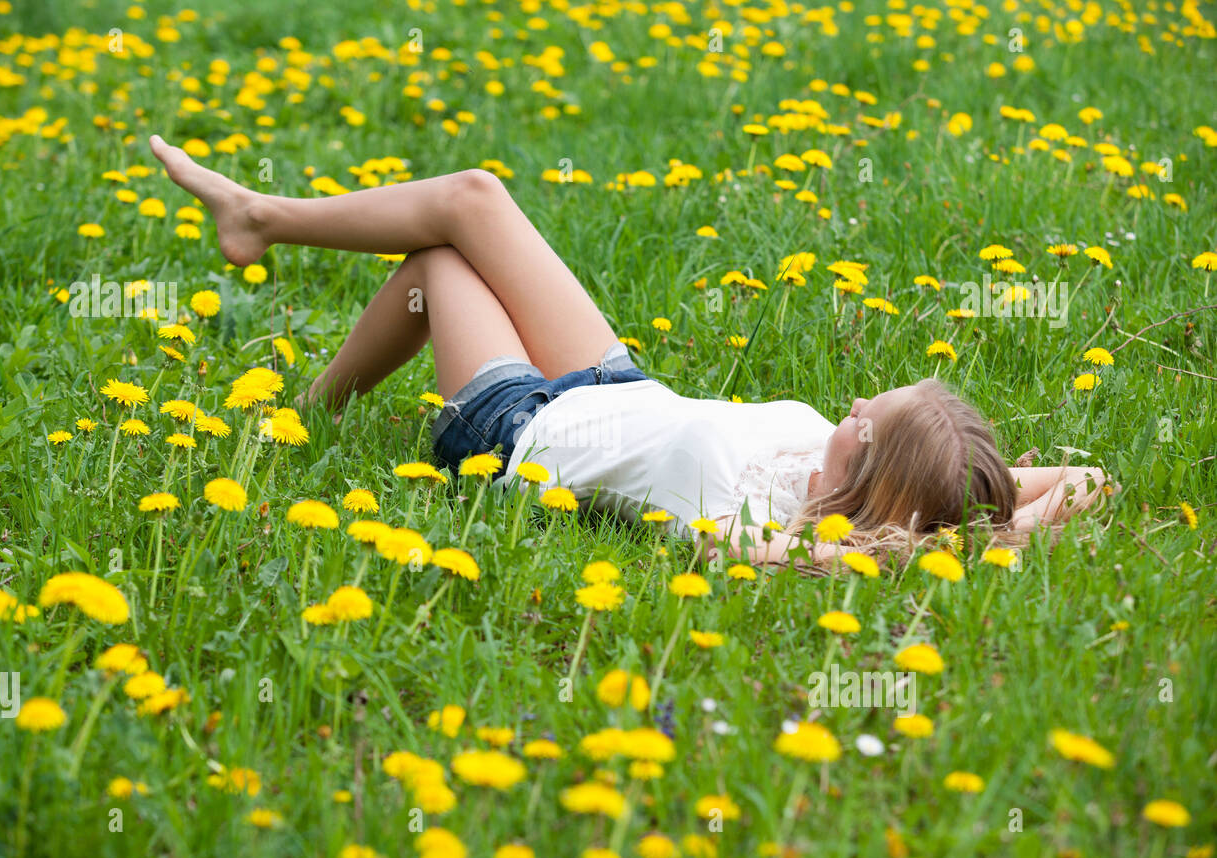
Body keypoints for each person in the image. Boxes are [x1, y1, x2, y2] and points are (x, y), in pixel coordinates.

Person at [147, 136, 1108, 565]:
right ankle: (258, 215)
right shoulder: (892, 486)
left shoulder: (761, 532)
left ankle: (311, 400)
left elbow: (878, 541)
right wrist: (996, 521)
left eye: (865, 420)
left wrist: (950, 542)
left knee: (436, 257)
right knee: (476, 195)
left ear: (868, 477)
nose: (852, 407)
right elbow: (1085, 477)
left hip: (515, 433)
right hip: (616, 380)